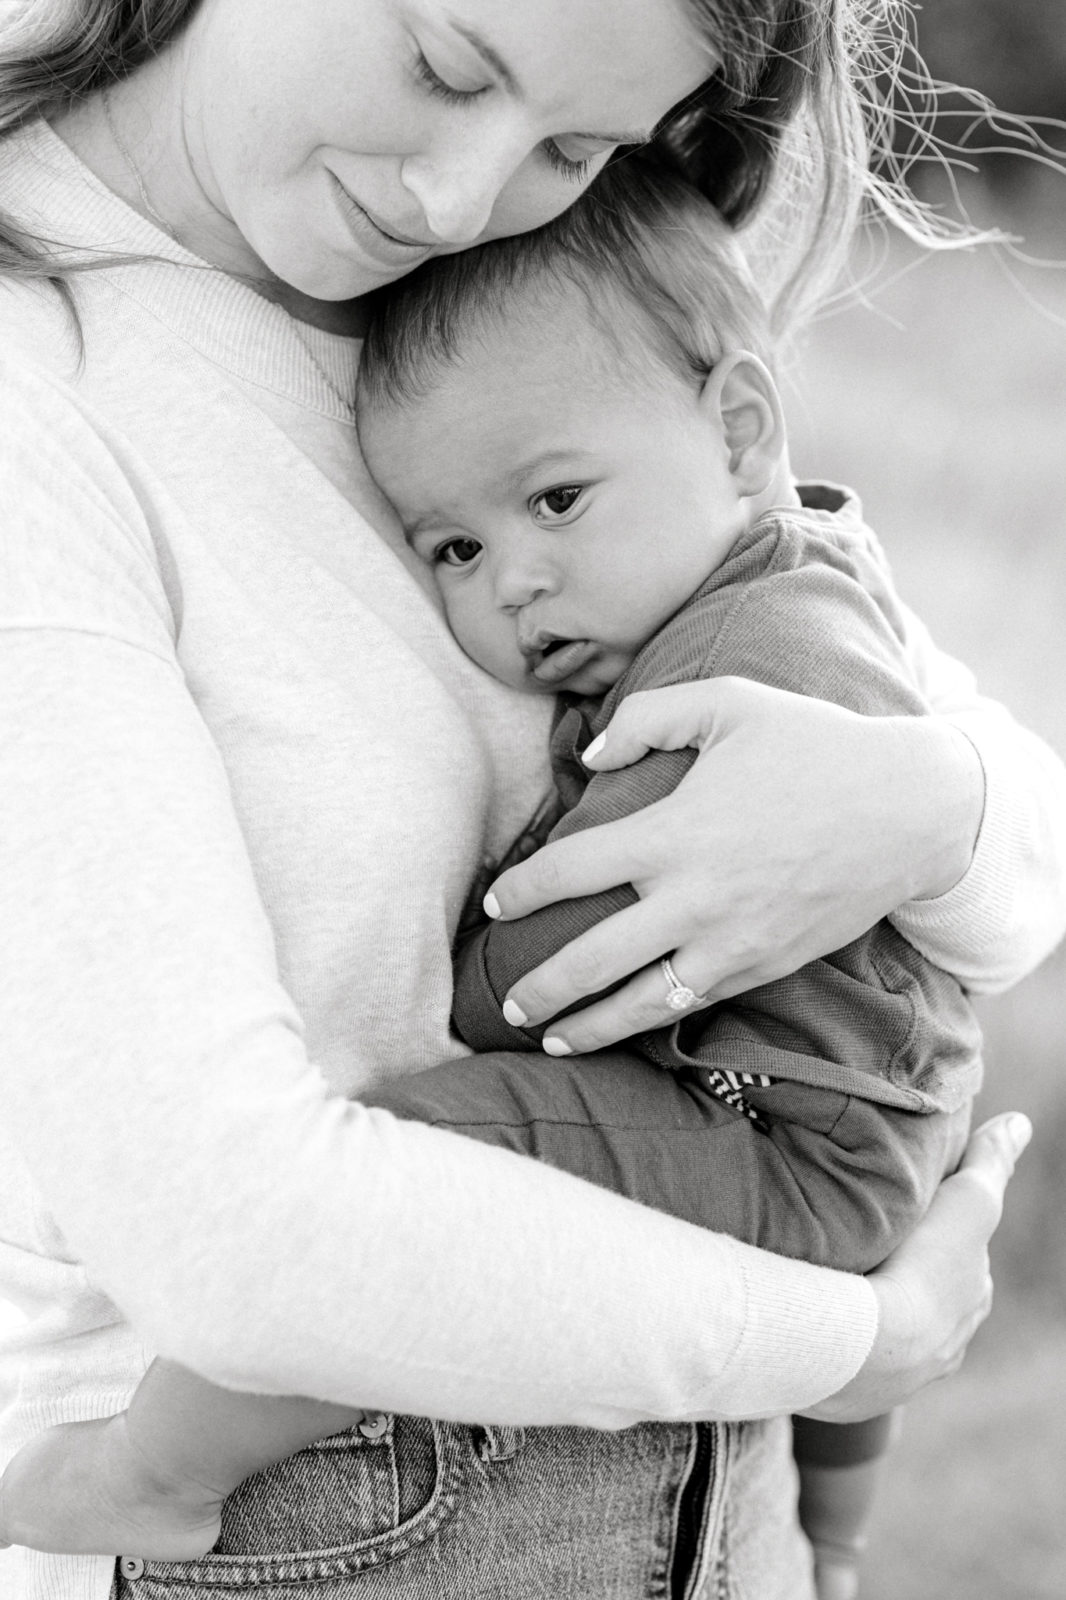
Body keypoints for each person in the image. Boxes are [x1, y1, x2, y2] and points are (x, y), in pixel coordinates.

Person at [0, 2, 1059, 1598]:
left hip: (718, 1496)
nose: (457, 198)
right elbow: (229, 1232)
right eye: (444, 66)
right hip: (326, 1527)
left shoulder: (511, 300)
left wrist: (927, 808)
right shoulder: (49, 397)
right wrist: (848, 1337)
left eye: (578, 144)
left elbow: (1007, 854)